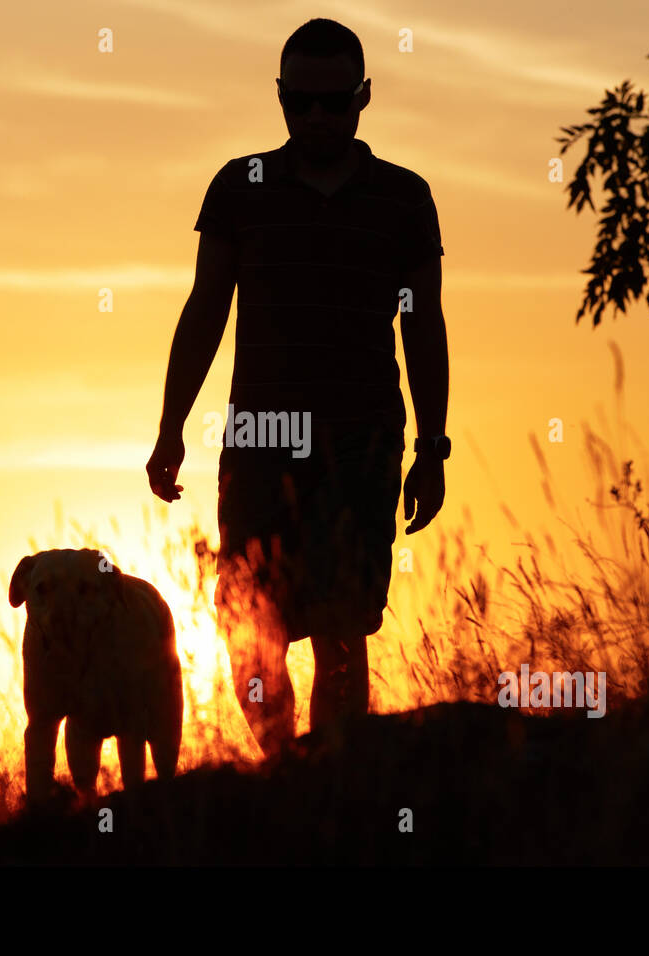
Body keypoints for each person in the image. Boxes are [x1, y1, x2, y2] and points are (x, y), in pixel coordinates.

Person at [146, 18, 450, 757]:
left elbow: (424, 325)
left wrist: (431, 446)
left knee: (345, 624)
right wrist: (170, 428)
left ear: (363, 98)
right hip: (259, 440)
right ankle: (283, 771)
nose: (317, 117)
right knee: (250, 624)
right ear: (281, 98)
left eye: (334, 102)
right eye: (302, 103)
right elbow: (205, 309)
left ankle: (332, 784)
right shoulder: (239, 187)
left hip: (363, 437)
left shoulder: (404, 198)